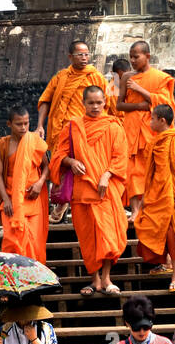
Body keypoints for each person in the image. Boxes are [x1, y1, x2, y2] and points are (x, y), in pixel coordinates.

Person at [49, 85, 128, 296]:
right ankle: (95, 280)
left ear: (105, 103)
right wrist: (71, 161)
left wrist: (107, 174)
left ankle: (107, 278)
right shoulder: (73, 126)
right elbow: (58, 155)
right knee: (87, 237)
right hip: (82, 191)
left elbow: (120, 158)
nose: (95, 107)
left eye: (99, 103)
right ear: (83, 104)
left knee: (108, 235)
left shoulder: (114, 126)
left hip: (105, 190)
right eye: (91, 103)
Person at [134, 103, 175, 290]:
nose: (150, 122)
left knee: (172, 231)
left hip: (174, 194)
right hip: (156, 194)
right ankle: (165, 262)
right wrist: (146, 195)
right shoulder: (155, 141)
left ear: (162, 120)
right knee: (148, 225)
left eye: (152, 118)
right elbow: (151, 173)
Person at [115, 40, 175, 218]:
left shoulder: (160, 77)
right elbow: (119, 105)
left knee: (155, 167)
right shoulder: (126, 77)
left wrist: (138, 89)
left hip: (153, 127)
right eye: (131, 57)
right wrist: (140, 106)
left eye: (136, 56)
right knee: (133, 169)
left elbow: (166, 105)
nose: (133, 60)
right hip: (132, 127)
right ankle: (135, 210)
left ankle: (153, 206)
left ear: (147, 56)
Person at [0, 106, 50, 262]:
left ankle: (34, 281)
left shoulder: (34, 141)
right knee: (13, 242)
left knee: (34, 243)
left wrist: (39, 183)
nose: (23, 127)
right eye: (19, 124)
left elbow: (46, 167)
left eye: (26, 123)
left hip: (32, 199)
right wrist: (6, 199)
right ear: (9, 124)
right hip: (11, 200)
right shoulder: (2, 145)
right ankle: (15, 280)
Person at [35, 39, 106, 147]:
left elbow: (110, 104)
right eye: (80, 54)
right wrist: (40, 125)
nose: (84, 58)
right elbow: (46, 100)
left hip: (89, 130)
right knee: (62, 160)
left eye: (86, 54)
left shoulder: (97, 77)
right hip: (63, 129)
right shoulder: (61, 77)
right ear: (70, 56)